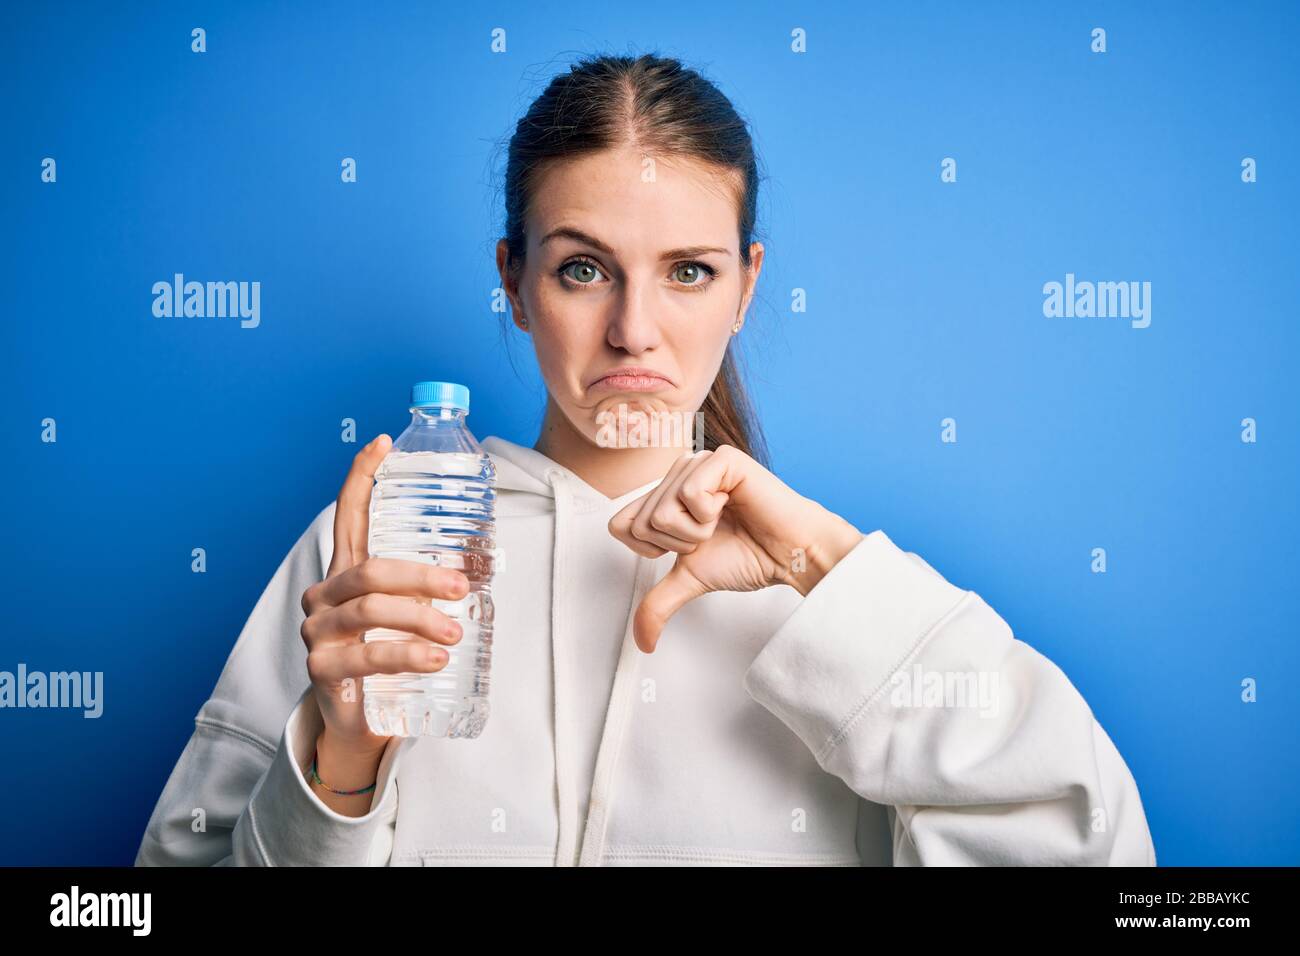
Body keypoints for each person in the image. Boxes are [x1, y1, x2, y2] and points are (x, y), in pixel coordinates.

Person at [135, 52, 1156, 867]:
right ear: (515, 279)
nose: (634, 330)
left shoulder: (829, 602)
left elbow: (1088, 843)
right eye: (583, 268)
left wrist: (828, 565)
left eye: (688, 272)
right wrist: (340, 767)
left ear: (747, 286)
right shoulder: (376, 562)